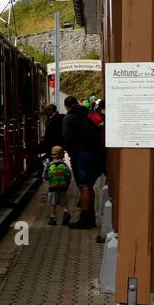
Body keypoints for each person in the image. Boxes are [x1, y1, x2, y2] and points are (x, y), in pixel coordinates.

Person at [62, 94, 100, 229]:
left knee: (83, 186)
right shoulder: (88, 114)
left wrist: (70, 152)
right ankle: (91, 217)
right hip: (94, 154)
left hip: (80, 154)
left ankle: (85, 219)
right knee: (89, 185)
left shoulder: (69, 118)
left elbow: (66, 138)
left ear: (67, 106)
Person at [44, 146, 72, 226]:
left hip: (53, 188)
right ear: (62, 155)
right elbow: (69, 176)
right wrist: (67, 184)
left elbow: (45, 176)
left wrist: (50, 179)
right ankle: (66, 213)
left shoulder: (48, 165)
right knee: (64, 202)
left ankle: (53, 219)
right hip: (63, 187)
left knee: (53, 204)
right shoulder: (64, 165)